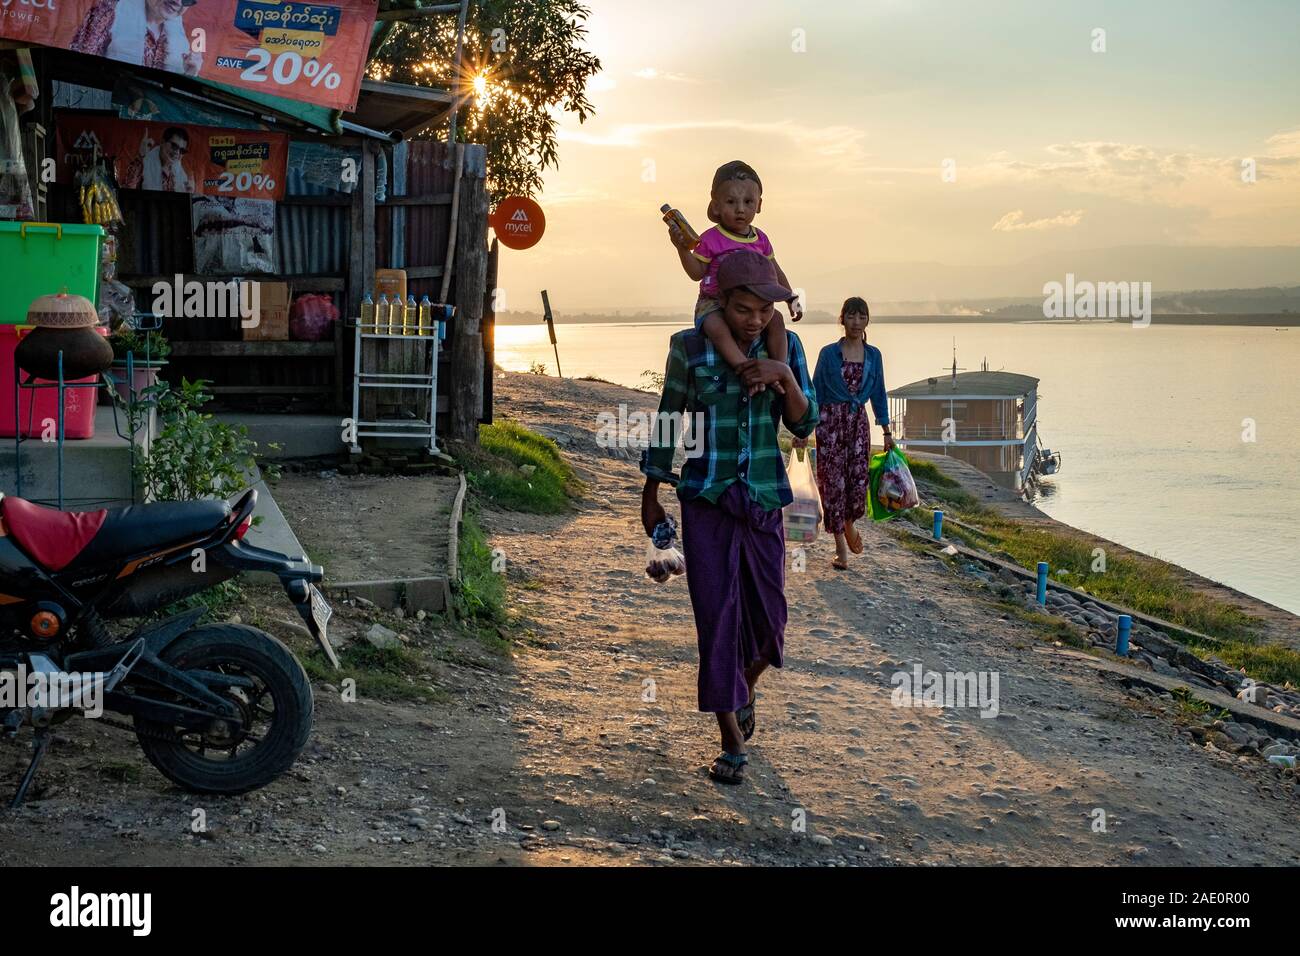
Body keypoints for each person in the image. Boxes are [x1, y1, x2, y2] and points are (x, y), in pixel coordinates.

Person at [640, 251, 819, 785]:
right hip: (706, 500)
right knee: (716, 619)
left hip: (764, 498)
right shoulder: (690, 348)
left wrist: (784, 375)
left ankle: (740, 686)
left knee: (770, 625)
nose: (754, 320)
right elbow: (669, 419)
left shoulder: (787, 349)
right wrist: (652, 493)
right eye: (744, 309)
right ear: (721, 302)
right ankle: (731, 739)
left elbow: (805, 424)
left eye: (764, 311)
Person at [665, 160, 802, 388]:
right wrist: (682, 249)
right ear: (716, 206)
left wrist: (791, 298)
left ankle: (777, 369)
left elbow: (775, 271)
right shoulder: (711, 238)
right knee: (714, 325)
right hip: (714, 302)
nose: (740, 209)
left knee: (776, 320)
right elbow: (696, 272)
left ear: (759, 205)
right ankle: (742, 366)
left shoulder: (761, 239)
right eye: (731, 202)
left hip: (755, 303)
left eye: (748, 202)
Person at [805, 296, 893, 570]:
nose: (856, 322)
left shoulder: (874, 355)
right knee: (832, 483)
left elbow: (878, 394)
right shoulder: (828, 353)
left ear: (868, 321)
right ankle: (840, 546)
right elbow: (814, 390)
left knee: (857, 480)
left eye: (861, 317)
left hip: (858, 424)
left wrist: (887, 430)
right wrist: (804, 427)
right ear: (841, 319)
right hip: (830, 424)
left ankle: (850, 522)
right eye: (851, 316)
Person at [71, 0, 204, 77]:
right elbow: (79, 70)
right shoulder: (108, 13)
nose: (177, 1)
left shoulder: (179, 41)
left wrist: (187, 75)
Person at [120, 126, 194, 193]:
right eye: (174, 146)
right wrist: (140, 156)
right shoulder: (144, 163)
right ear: (162, 142)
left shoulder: (181, 176)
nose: (177, 153)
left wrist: (188, 194)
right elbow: (127, 190)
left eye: (182, 151)